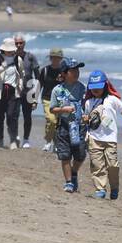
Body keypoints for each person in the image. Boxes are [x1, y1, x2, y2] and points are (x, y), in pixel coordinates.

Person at [81, 70, 122, 199]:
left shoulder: (112, 100)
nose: (96, 91)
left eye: (98, 88)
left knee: (112, 165)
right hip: (94, 137)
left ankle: (114, 187)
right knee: (97, 165)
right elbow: (86, 117)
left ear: (105, 85)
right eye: (93, 88)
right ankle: (100, 189)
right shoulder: (88, 102)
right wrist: (85, 119)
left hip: (110, 138)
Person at [49, 59, 87, 192]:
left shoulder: (82, 88)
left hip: (80, 127)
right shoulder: (57, 90)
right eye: (73, 70)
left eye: (78, 70)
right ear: (64, 73)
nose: (76, 72)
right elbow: (52, 109)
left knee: (81, 154)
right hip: (64, 127)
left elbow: (86, 106)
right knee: (65, 155)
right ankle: (69, 182)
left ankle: (74, 172)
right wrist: (63, 110)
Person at [5, 34, 40, 149]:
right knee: (11, 115)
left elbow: (38, 78)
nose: (19, 45)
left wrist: (35, 98)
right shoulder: (10, 57)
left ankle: (26, 139)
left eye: (21, 43)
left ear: (24, 44)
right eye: (16, 43)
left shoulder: (30, 57)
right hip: (13, 91)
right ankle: (14, 136)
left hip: (28, 91)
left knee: (27, 116)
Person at [37, 48, 67, 153]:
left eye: (58, 58)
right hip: (47, 99)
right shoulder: (45, 70)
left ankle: (56, 144)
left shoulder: (64, 72)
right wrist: (34, 100)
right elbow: (39, 85)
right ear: (50, 58)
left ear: (61, 59)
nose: (55, 60)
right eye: (53, 57)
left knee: (58, 123)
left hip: (61, 100)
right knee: (51, 120)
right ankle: (48, 141)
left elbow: (69, 85)